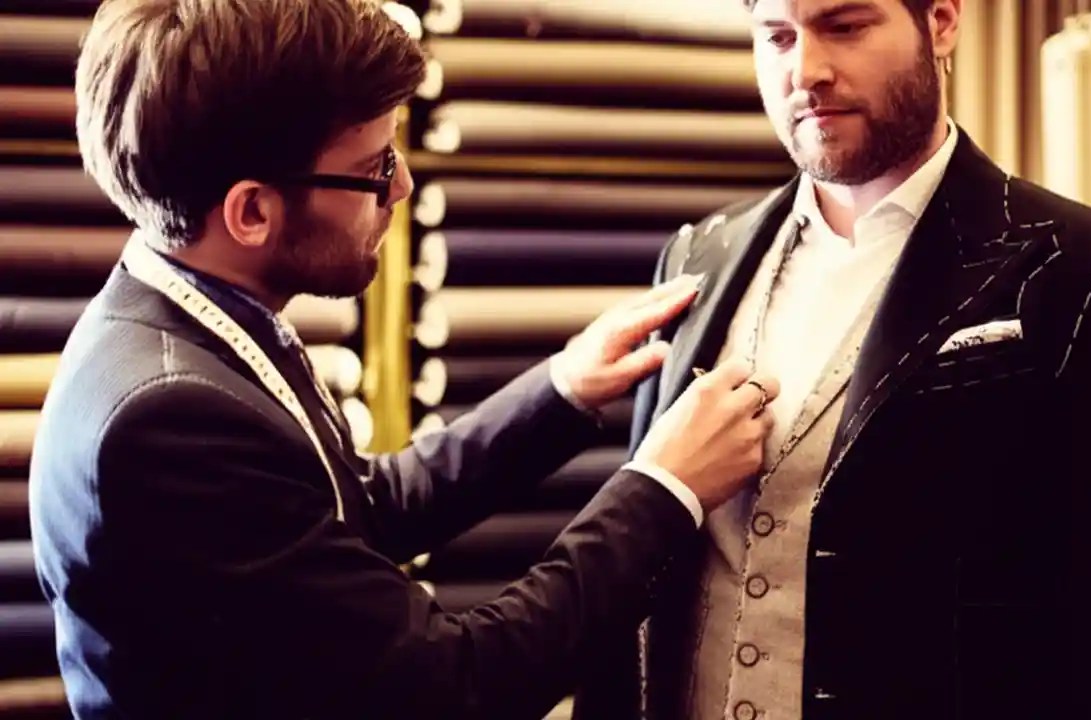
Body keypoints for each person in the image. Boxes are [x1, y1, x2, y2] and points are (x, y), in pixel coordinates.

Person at [27, 1, 782, 718]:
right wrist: (662, 489)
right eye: (375, 167)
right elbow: (453, 688)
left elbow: (357, 506)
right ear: (251, 212)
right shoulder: (171, 416)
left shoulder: (188, 317)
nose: (404, 187)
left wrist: (561, 389)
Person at [572, 0, 1091, 719]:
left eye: (845, 27)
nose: (806, 71)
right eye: (778, 37)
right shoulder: (699, 254)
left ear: (941, 22)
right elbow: (634, 591)